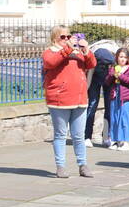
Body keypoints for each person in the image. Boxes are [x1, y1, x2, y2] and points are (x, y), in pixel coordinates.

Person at [42, 26, 97, 179]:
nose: (66, 39)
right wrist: (67, 48)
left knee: (79, 135)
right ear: (55, 38)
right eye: (63, 37)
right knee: (60, 135)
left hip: (79, 99)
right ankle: (61, 166)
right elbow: (52, 62)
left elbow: (91, 64)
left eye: (68, 36)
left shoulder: (76, 51)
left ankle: (83, 165)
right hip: (59, 100)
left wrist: (86, 50)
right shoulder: (49, 52)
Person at [84, 38, 117, 148]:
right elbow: (89, 75)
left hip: (110, 76)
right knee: (92, 105)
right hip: (94, 77)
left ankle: (106, 137)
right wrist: (86, 89)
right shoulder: (95, 57)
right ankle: (87, 136)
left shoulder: (114, 55)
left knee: (109, 106)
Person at [104, 48, 129, 152]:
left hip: (125, 98)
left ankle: (125, 141)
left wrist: (120, 76)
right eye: (121, 57)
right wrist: (112, 75)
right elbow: (107, 82)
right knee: (114, 118)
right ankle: (115, 140)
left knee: (124, 119)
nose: (122, 59)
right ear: (117, 57)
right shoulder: (113, 68)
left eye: (125, 57)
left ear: (128, 59)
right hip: (115, 96)